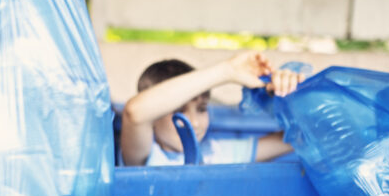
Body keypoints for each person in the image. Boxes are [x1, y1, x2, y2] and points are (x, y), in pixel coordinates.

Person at [119, 52, 301, 166]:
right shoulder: (144, 158)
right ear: (154, 119)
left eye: (201, 108)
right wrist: (228, 71)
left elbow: (298, 136)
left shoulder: (216, 154)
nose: (195, 123)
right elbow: (135, 113)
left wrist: (285, 92)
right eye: (178, 111)